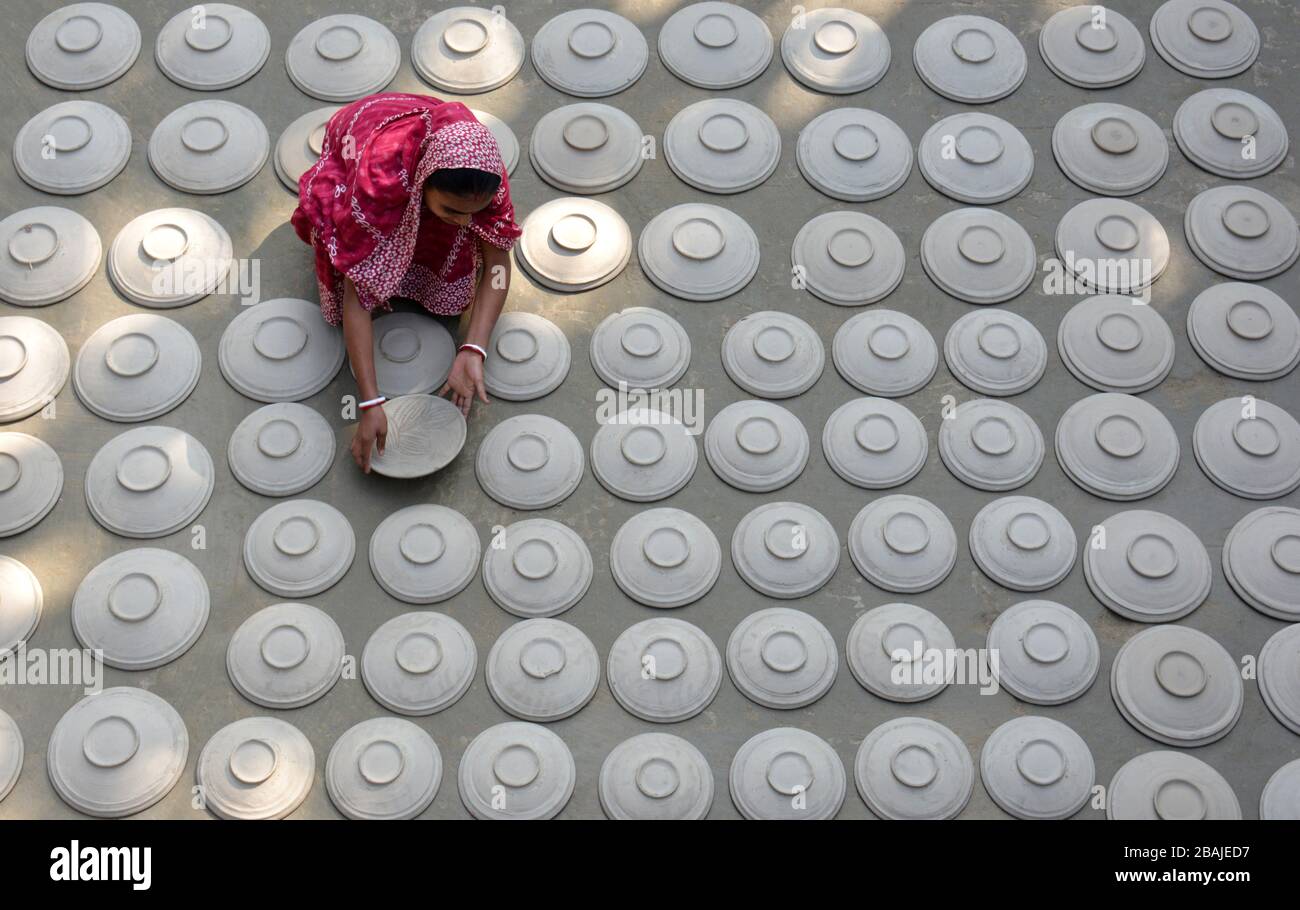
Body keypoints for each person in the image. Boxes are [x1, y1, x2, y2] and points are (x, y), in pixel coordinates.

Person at [292, 92, 521, 472]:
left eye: (474, 212)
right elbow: (357, 295)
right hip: (362, 134)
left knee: (459, 236)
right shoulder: (378, 188)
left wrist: (474, 348)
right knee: (359, 252)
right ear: (420, 184)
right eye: (451, 208)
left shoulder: (484, 175)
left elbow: (497, 261)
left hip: (429, 144)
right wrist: (369, 402)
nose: (466, 222)